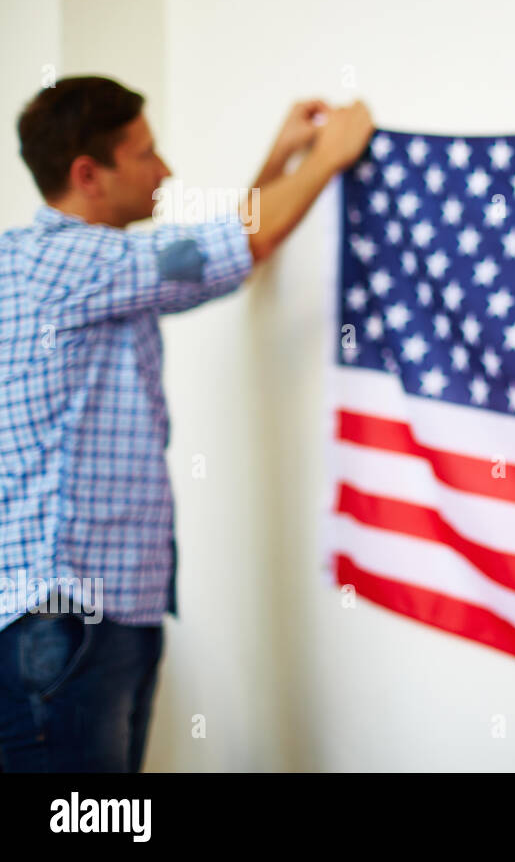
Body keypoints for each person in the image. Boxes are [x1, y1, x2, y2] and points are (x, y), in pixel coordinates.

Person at [0, 76, 374, 771]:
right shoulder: (67, 263)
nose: (165, 170)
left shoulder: (83, 267)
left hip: (100, 616)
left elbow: (213, 258)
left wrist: (279, 160)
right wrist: (330, 159)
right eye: (145, 153)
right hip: (66, 623)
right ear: (88, 175)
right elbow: (224, 250)